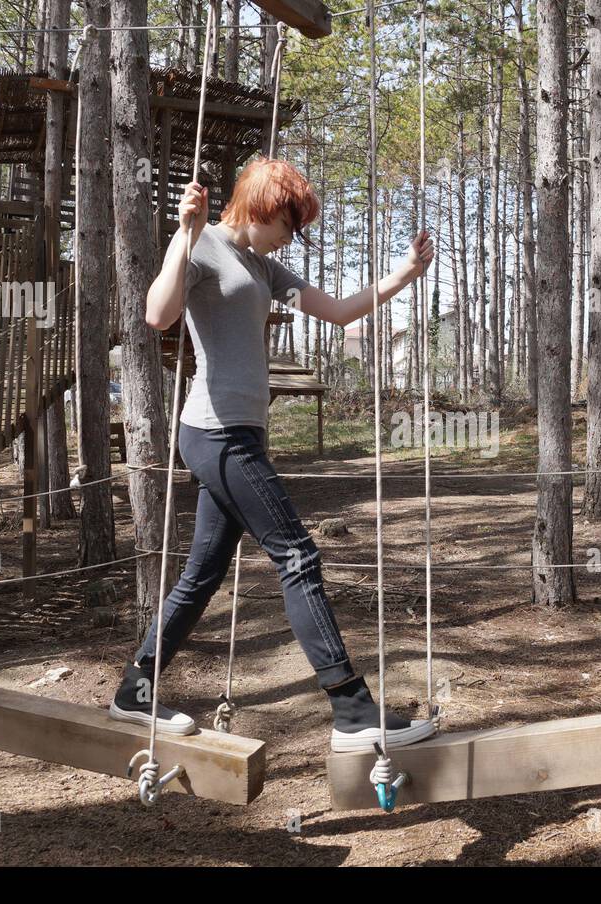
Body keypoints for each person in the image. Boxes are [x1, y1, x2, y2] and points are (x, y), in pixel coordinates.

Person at [108, 157, 437, 753]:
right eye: (289, 221)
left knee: (200, 577)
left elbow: (339, 312)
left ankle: (136, 688)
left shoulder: (262, 263)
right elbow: (158, 316)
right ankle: (352, 709)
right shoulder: (200, 242)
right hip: (214, 433)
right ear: (259, 206)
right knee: (298, 555)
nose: (293, 235)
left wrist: (404, 274)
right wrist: (183, 232)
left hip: (244, 436)